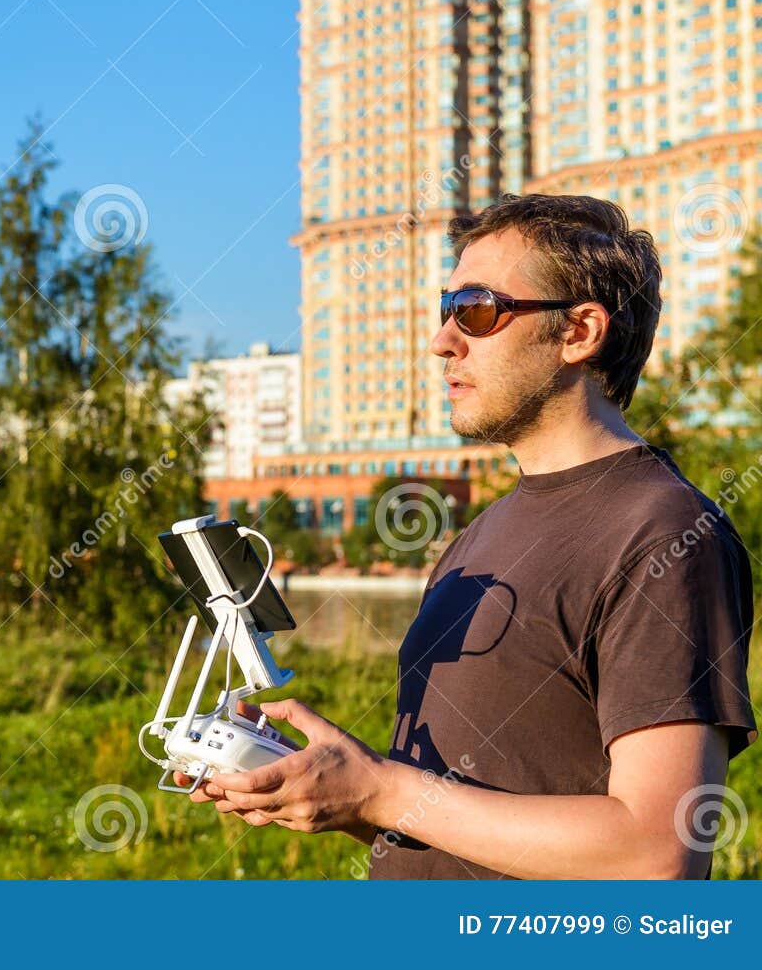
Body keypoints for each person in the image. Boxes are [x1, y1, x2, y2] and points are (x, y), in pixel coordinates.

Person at [186, 193, 756, 878]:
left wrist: (383, 788)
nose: (442, 340)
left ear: (579, 331)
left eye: (479, 311)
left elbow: (656, 851)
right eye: (445, 308)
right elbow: (450, 817)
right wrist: (333, 790)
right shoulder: (477, 537)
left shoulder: (663, 534)